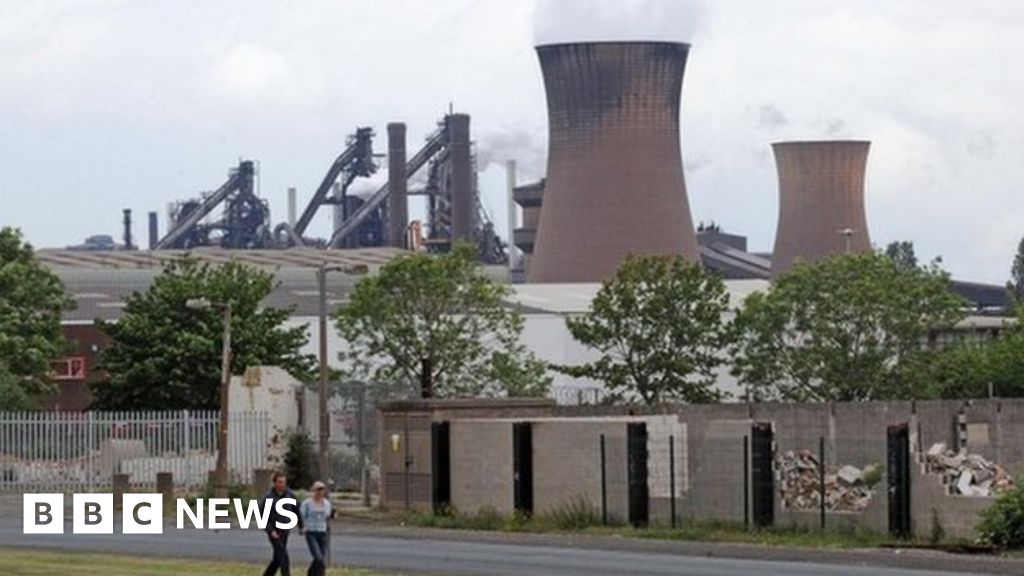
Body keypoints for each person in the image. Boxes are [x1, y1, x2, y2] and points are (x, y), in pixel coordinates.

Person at [263, 471, 302, 576]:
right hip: (274, 531)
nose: (282, 484)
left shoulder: (290, 495)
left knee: (277, 558)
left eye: (284, 482)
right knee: (283, 556)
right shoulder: (269, 498)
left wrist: (301, 526)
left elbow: (297, 510)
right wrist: (270, 530)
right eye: (279, 482)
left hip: (285, 530)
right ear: (275, 483)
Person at [299, 480, 333, 576]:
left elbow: (327, 515)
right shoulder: (307, 503)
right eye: (318, 489)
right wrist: (302, 527)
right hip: (311, 532)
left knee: (321, 559)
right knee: (318, 557)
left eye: (322, 489)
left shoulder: (326, 503)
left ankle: (313, 573)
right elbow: (301, 516)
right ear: (313, 490)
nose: (320, 492)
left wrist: (333, 515)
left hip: (323, 532)